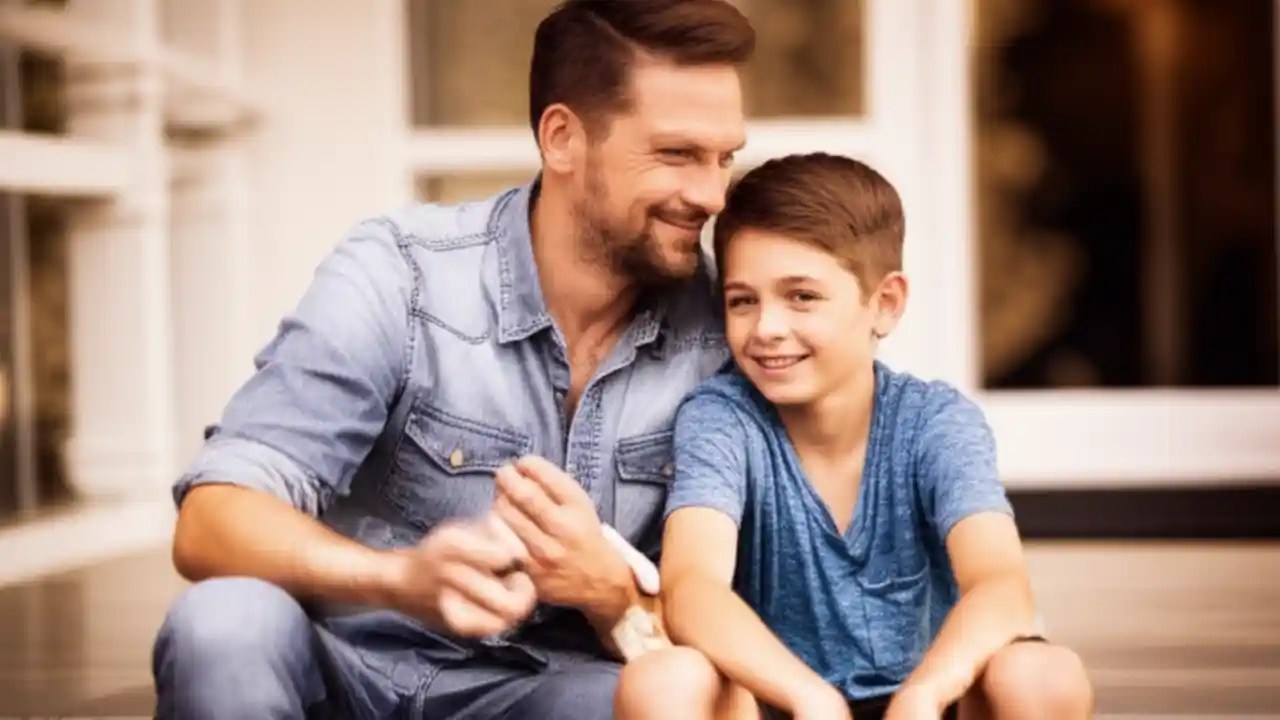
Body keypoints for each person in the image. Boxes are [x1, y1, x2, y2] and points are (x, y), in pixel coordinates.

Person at [151, 1, 755, 717]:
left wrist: (613, 596)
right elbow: (215, 519)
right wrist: (401, 578)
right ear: (562, 138)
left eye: (725, 159)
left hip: (547, 688)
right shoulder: (401, 275)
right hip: (348, 667)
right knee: (223, 623)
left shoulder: (732, 326)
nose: (712, 195)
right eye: (676, 154)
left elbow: (746, 620)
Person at [614, 154, 1094, 720]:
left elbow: (1001, 584)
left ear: (884, 304)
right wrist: (811, 699)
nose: (766, 327)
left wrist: (925, 693)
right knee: (666, 679)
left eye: (802, 296)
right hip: (782, 706)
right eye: (743, 300)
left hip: (922, 706)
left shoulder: (933, 421)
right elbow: (693, 590)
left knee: (1044, 674)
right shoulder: (722, 419)